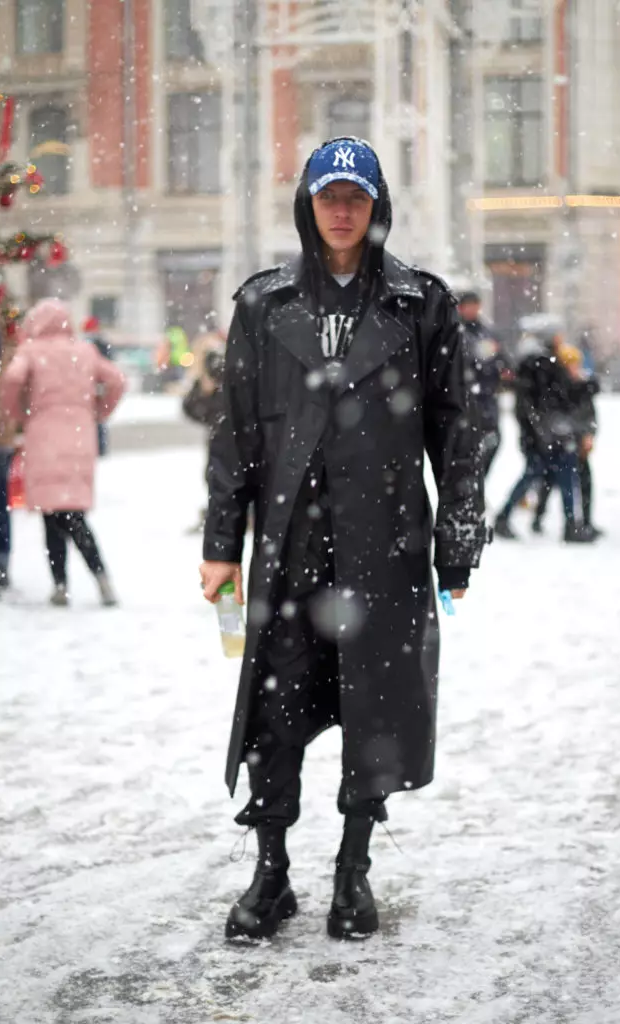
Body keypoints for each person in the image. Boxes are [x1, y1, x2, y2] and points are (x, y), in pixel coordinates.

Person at [199, 137, 486, 942]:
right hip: (289, 546)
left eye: (354, 197)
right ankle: (272, 869)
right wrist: (223, 540)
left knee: (377, 708)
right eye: (328, 195)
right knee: (274, 710)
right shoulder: (263, 305)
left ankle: (353, 867)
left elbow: (456, 430)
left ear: (375, 206)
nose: (340, 210)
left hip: (385, 547)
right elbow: (236, 436)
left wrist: (456, 543)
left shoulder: (418, 304)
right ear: (308, 202)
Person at [2, 298, 126, 606]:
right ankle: (100, 578)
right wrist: (100, 410)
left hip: (43, 435)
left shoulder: (31, 351)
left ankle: (61, 584)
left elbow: (12, 379)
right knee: (74, 514)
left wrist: (19, 412)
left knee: (52, 515)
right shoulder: (84, 351)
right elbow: (116, 380)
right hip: (80, 435)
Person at [494, 318, 596, 544]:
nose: (561, 339)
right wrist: (544, 431)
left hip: (548, 431)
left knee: (544, 474)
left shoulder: (537, 363)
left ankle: (567, 524)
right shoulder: (541, 364)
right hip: (550, 432)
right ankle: (569, 525)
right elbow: (547, 400)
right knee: (551, 474)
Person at [532, 343, 602, 536]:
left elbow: (590, 415)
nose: (575, 367)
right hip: (564, 441)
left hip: (575, 440)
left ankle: (584, 522)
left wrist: (588, 435)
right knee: (553, 481)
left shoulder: (582, 385)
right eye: (571, 364)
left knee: (581, 482)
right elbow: (559, 415)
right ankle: (544, 519)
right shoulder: (560, 387)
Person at [182, 325, 227, 534]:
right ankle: (217, 517)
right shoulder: (207, 379)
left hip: (234, 436)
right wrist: (204, 388)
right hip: (218, 436)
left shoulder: (236, 370)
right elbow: (191, 408)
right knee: (214, 476)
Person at [457, 290, 507, 478]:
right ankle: (468, 487)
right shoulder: (456, 331)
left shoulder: (486, 330)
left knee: (492, 442)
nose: (472, 310)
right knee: (467, 448)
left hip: (487, 397)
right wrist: (484, 354)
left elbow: (502, 358)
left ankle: (477, 483)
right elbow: (466, 358)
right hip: (466, 398)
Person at [0, 303, 17, 599]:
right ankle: (1, 566)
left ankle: (1, 567)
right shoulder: (8, 355)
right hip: (0, 441)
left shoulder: (8, 357)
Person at [82, 316, 114, 456]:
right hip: (96, 384)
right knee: (98, 417)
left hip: (94, 384)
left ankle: (98, 446)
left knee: (96, 418)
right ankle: (99, 446)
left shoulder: (88, 345)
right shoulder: (100, 344)